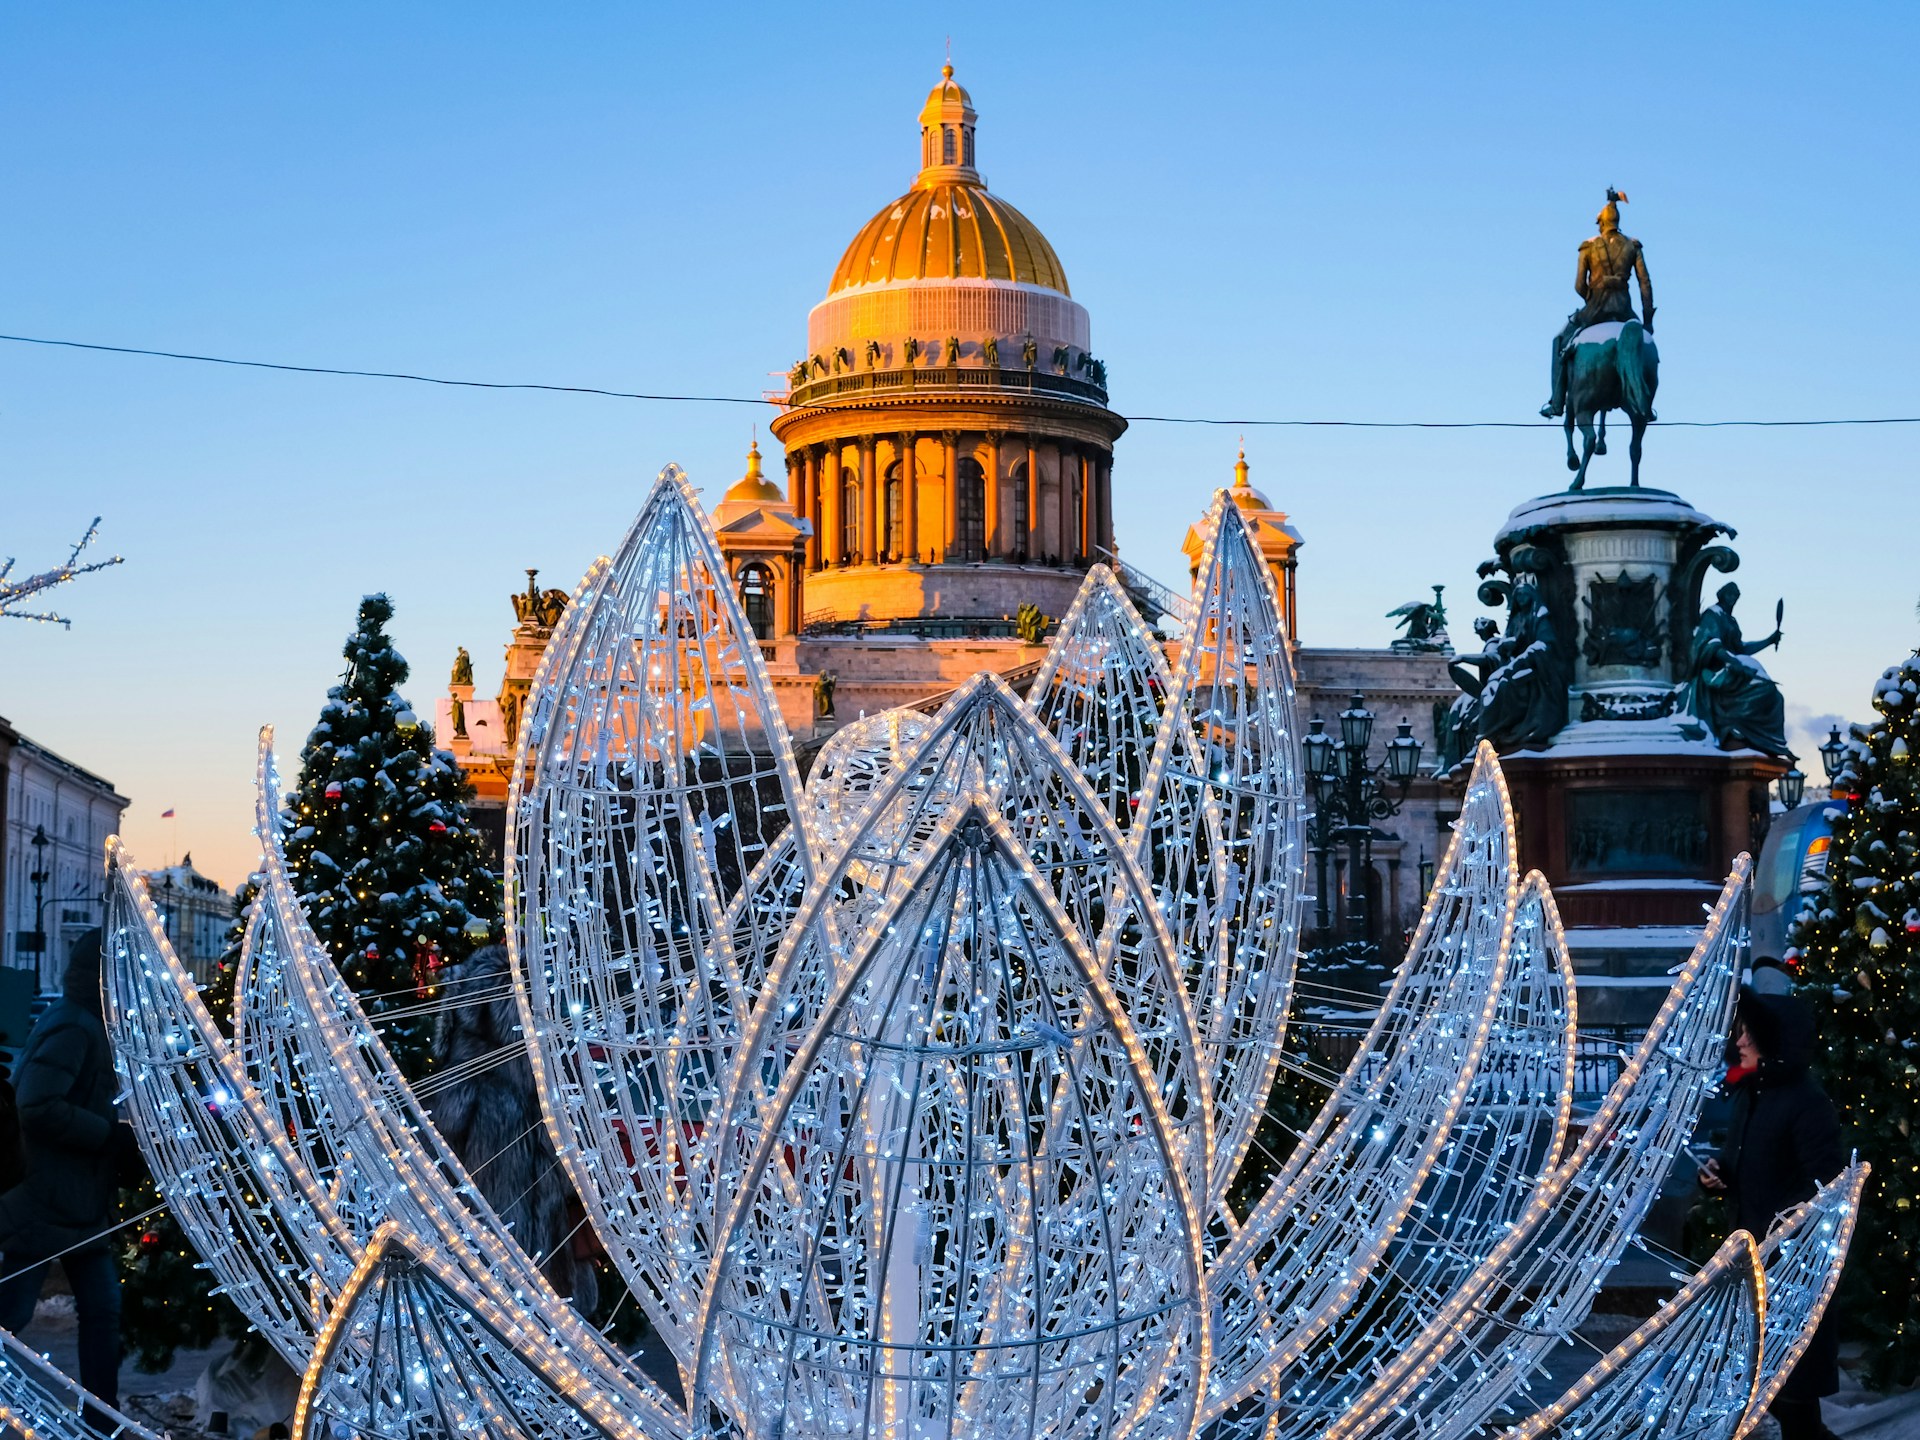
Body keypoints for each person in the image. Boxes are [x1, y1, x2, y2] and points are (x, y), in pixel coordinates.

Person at [1698, 990, 1847, 1440]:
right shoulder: (1752, 1093)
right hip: (1754, 1261)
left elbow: (1826, 1182)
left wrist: (1786, 1230)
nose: (1739, 1041)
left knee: (1791, 1389)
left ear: (1775, 1039)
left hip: (1789, 1268)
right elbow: (1746, 1159)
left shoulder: (1804, 1100)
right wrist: (1720, 1174)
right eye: (1739, 1031)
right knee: (1772, 1387)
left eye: (1750, 1032)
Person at [0, 930, 135, 1409]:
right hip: (42, 1201)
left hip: (77, 1203)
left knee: (103, 1312)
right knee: (9, 1315)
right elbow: (35, 1104)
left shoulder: (87, 1021)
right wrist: (107, 1134)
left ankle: (103, 1418)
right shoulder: (75, 1026)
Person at [1542, 188, 1655, 418]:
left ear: (1601, 225)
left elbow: (1578, 285)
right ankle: (1647, 403)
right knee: (1643, 347)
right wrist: (1647, 319)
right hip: (1624, 310)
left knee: (1559, 341)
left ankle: (1556, 401)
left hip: (1594, 310)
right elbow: (1645, 284)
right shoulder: (1633, 247)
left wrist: (1590, 298)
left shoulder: (1588, 246)